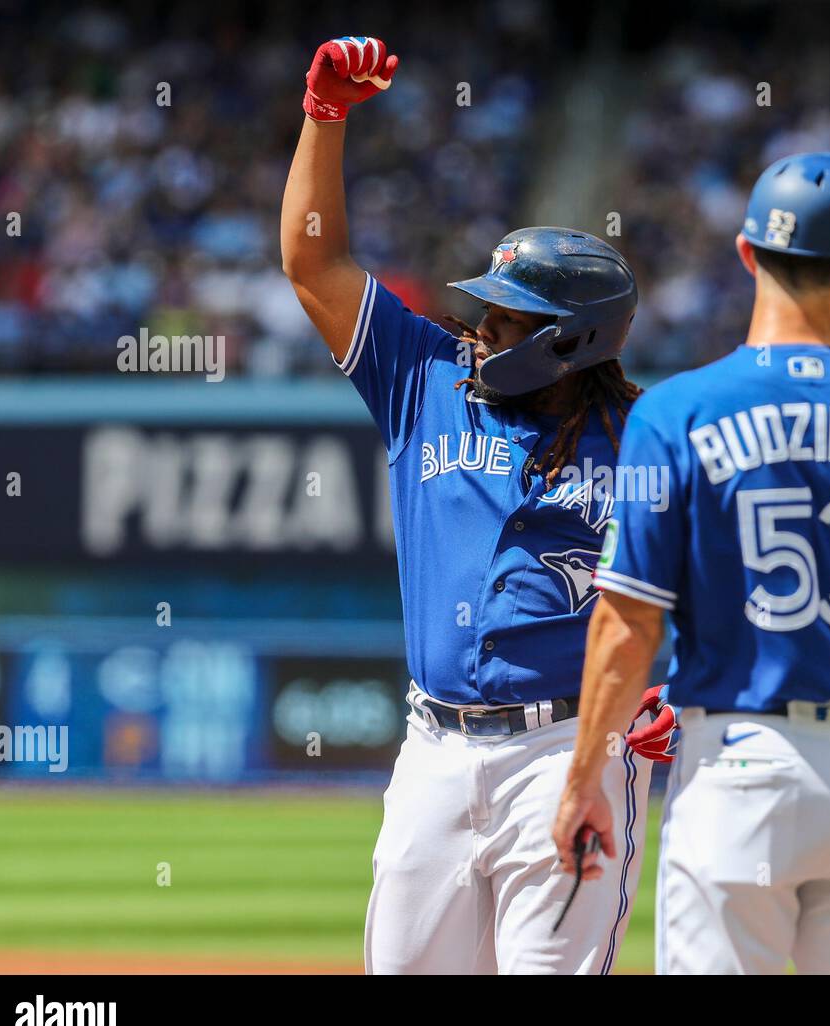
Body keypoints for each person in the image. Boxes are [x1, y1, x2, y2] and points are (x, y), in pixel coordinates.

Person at [553, 152, 830, 974]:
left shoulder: (675, 415)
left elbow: (626, 624)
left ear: (748, 254)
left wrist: (584, 779)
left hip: (741, 760)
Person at [282, 35, 651, 974]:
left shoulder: (643, 440)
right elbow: (312, 267)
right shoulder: (426, 379)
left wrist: (673, 697)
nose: (482, 329)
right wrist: (325, 117)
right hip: (434, 750)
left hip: (570, 751)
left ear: (572, 339)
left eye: (507, 318)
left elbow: (703, 589)